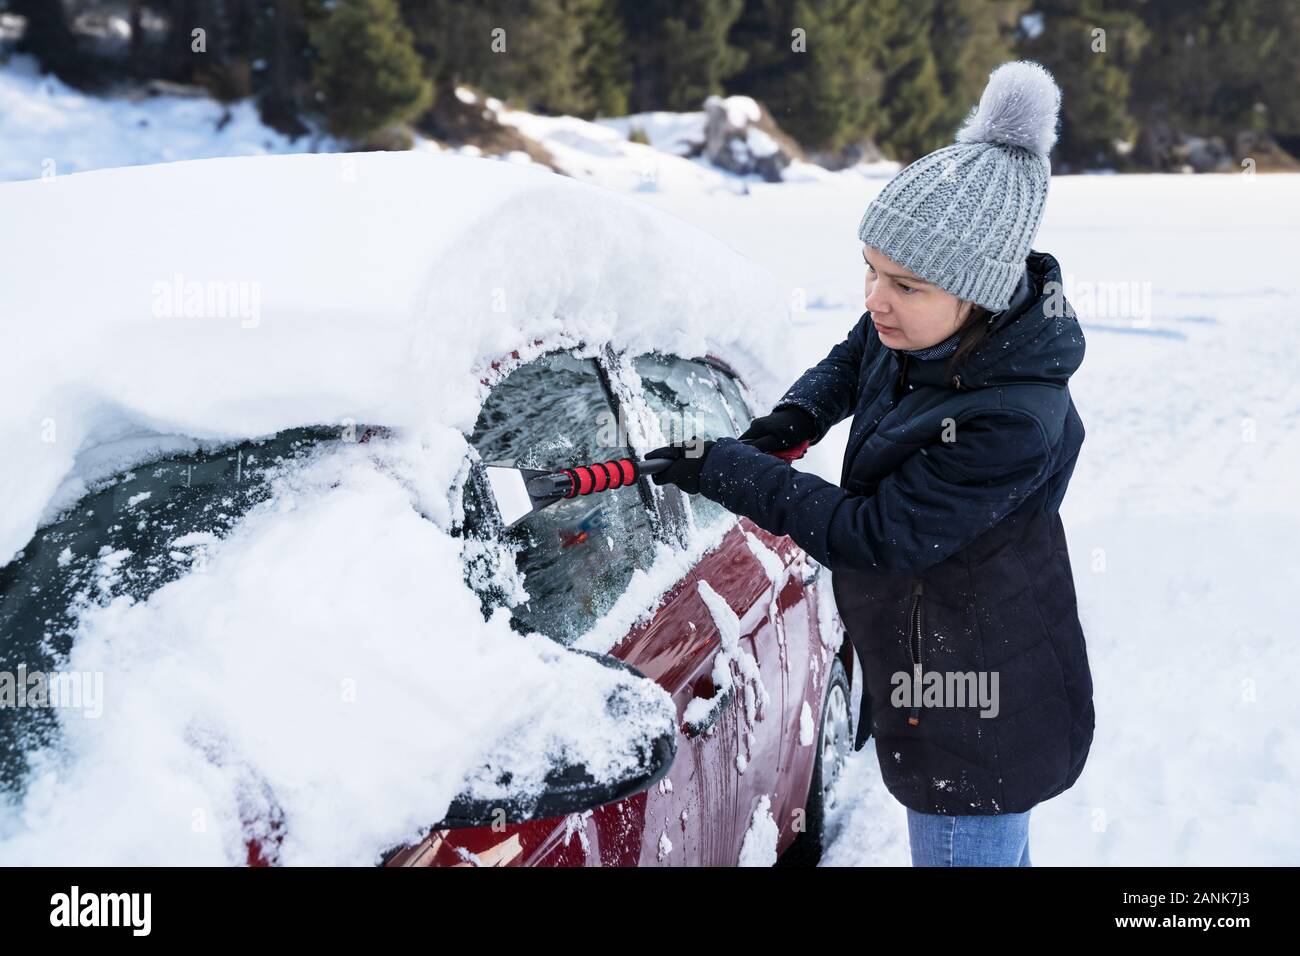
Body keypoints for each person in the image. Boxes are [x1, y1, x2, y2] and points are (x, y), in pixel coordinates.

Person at [645, 61, 1094, 867]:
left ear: (981, 294)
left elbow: (873, 533)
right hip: (939, 660)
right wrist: (796, 416)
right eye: (871, 269)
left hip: (979, 710)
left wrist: (725, 468)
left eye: (905, 284)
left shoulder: (1011, 420)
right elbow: (859, 357)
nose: (874, 299)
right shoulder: (930, 330)